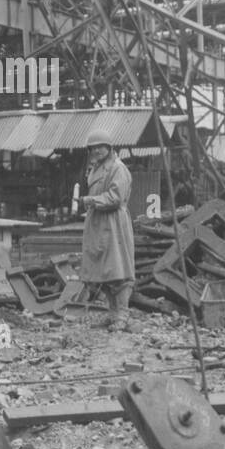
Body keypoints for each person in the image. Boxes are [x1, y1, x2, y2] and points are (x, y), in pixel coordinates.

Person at [78, 129, 136, 329]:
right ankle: (112, 313)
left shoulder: (118, 168)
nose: (96, 151)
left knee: (118, 269)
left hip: (113, 222)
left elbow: (115, 197)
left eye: (100, 147)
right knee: (101, 271)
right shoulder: (96, 168)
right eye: (93, 148)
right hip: (97, 222)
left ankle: (122, 315)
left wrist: (89, 200)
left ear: (109, 147)